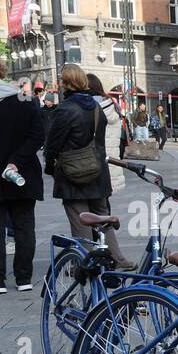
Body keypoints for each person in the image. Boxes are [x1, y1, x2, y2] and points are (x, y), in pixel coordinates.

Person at [0, 49, 44, 293]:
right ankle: (24, 279)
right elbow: (38, 134)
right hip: (22, 173)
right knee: (25, 227)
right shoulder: (23, 98)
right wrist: (16, 161)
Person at [44, 64, 117, 274]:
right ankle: (116, 258)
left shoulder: (65, 109)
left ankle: (84, 263)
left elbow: (52, 145)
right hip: (98, 171)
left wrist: (50, 167)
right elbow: (100, 142)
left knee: (80, 219)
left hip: (73, 172)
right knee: (103, 218)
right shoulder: (96, 108)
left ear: (66, 84)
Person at [88, 73, 136, 269]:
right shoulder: (112, 106)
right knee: (103, 212)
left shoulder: (91, 109)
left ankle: (97, 257)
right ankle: (115, 256)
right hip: (110, 165)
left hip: (92, 165)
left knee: (91, 214)